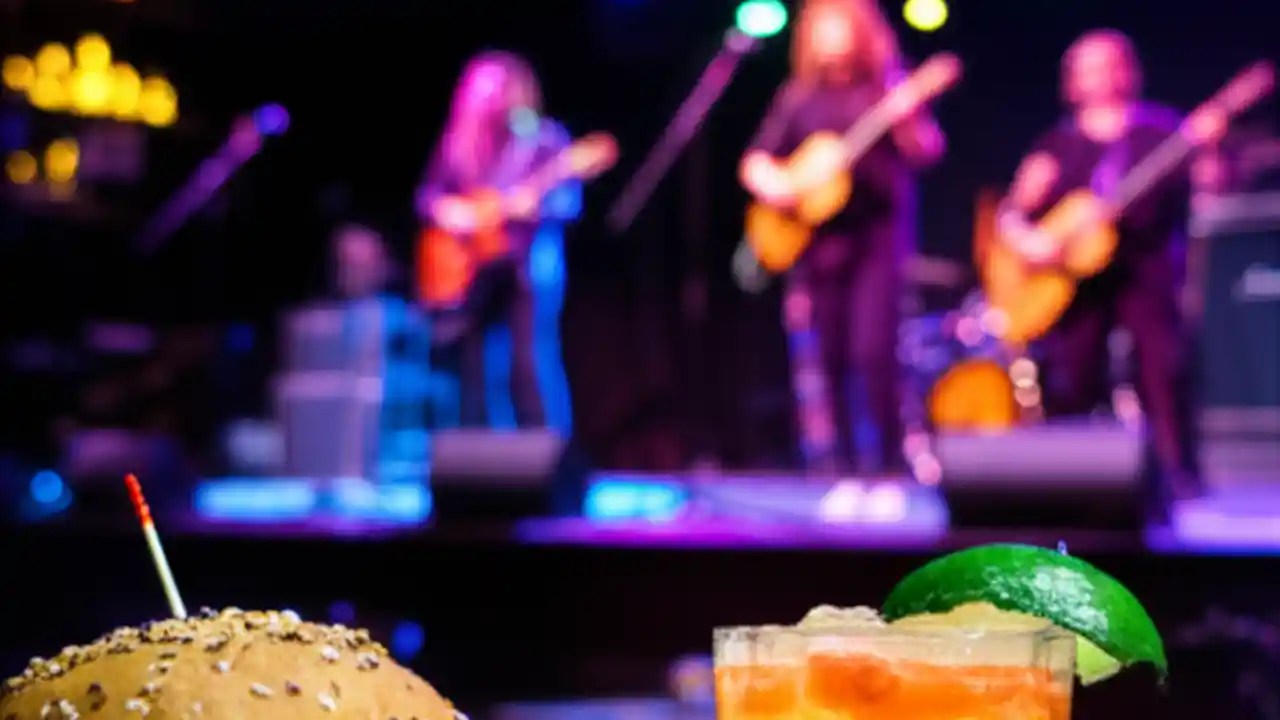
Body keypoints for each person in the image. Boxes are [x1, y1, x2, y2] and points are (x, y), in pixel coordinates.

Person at [997, 29, 1226, 505]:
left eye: (1106, 65)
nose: (1097, 76)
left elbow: (1211, 185)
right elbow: (1013, 213)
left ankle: (1174, 477)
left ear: (1126, 71)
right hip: (1076, 282)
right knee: (1074, 373)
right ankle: (1075, 475)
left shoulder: (1161, 132)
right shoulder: (1057, 145)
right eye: (1086, 67)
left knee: (1162, 369)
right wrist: (1032, 241)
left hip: (1147, 270)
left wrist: (1208, 150)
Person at [739, 0, 946, 473]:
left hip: (877, 240)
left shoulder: (886, 87)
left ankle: (892, 467)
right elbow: (756, 161)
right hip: (821, 248)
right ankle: (847, 469)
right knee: (828, 358)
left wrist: (906, 115)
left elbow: (926, 150)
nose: (833, 36)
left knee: (874, 353)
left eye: (842, 26)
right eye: (824, 27)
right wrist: (784, 186)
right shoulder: (798, 97)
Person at [415, 51, 581, 431]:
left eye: (497, 90)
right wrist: (454, 213)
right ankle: (488, 463)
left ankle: (549, 458)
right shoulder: (459, 145)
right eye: (480, 91)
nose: (488, 100)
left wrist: (531, 207)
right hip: (477, 269)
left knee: (531, 364)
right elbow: (428, 197)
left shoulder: (543, 140)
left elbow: (567, 202)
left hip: (528, 265)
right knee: (477, 367)